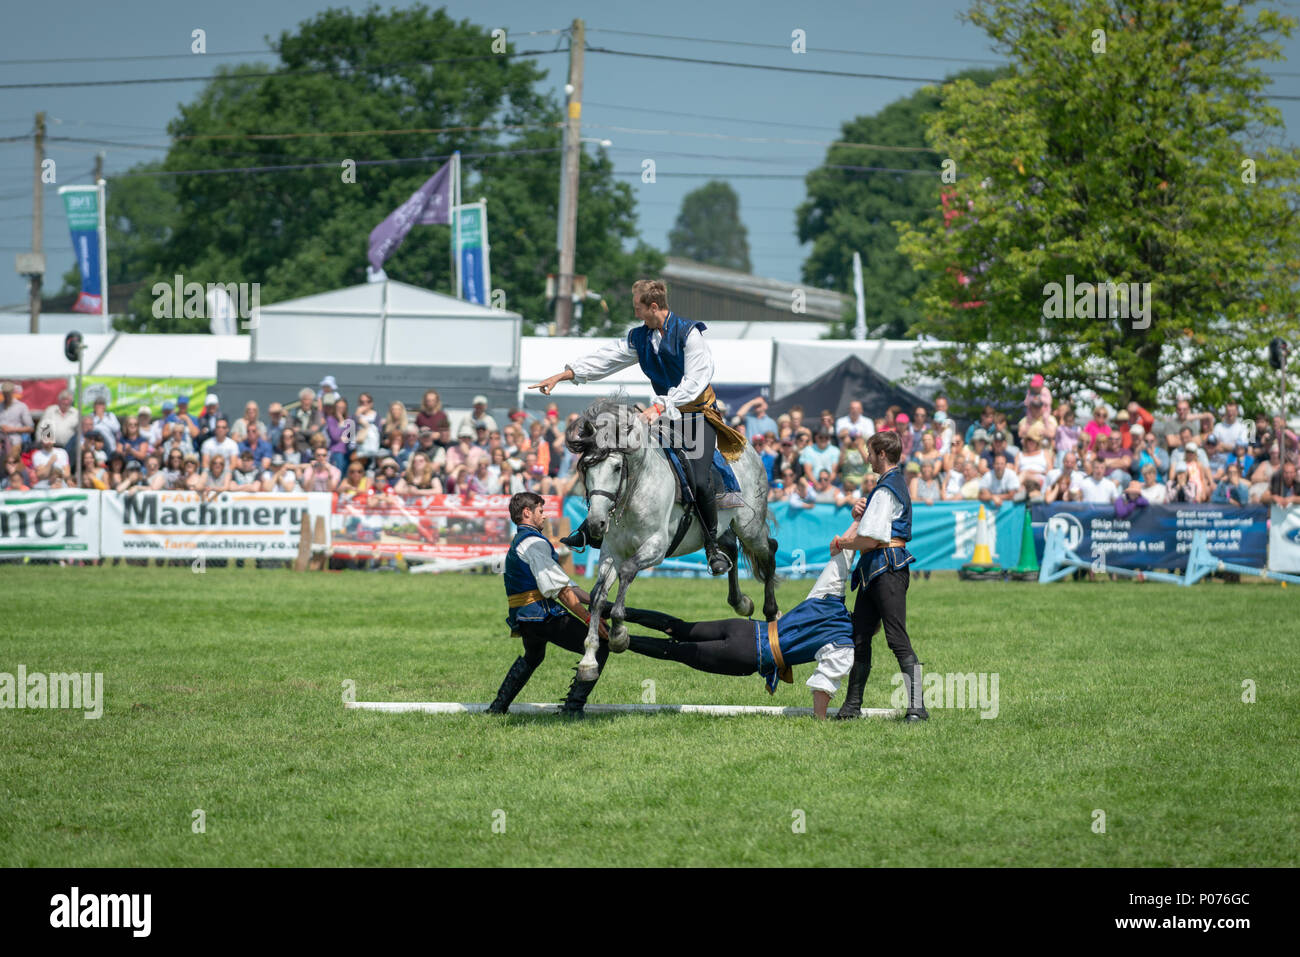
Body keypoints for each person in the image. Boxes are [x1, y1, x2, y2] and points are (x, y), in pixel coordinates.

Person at [530, 277, 744, 575]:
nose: (636, 313)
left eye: (638, 308)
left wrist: (661, 405)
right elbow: (606, 358)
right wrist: (565, 374)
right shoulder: (640, 338)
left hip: (696, 417)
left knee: (697, 479)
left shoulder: (690, 334)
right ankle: (588, 528)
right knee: (619, 454)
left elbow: (695, 381)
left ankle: (713, 547)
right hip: (662, 417)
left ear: (653, 306)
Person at [624, 551, 857, 718]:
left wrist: (859, 517)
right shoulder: (843, 646)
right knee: (672, 651)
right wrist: (820, 720)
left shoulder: (831, 599)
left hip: (745, 628)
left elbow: (842, 552)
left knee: (677, 628)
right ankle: (615, 639)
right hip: (747, 656)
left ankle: (609, 608)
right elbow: (823, 685)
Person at [827, 430, 928, 722]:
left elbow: (871, 538)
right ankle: (851, 707)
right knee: (860, 637)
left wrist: (843, 543)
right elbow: (873, 523)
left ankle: (918, 708)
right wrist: (862, 506)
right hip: (875, 569)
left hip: (888, 568)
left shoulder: (887, 488)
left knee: (897, 638)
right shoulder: (885, 486)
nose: (867, 457)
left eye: (870, 452)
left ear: (881, 454)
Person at [488, 492, 618, 717]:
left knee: (533, 656)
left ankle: (498, 707)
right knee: (598, 646)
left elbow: (567, 584)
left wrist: (597, 601)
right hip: (542, 617)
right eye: (540, 511)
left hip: (527, 618)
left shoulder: (522, 541)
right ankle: (572, 708)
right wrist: (590, 620)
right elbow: (562, 591)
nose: (545, 516)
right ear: (527, 513)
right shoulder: (534, 544)